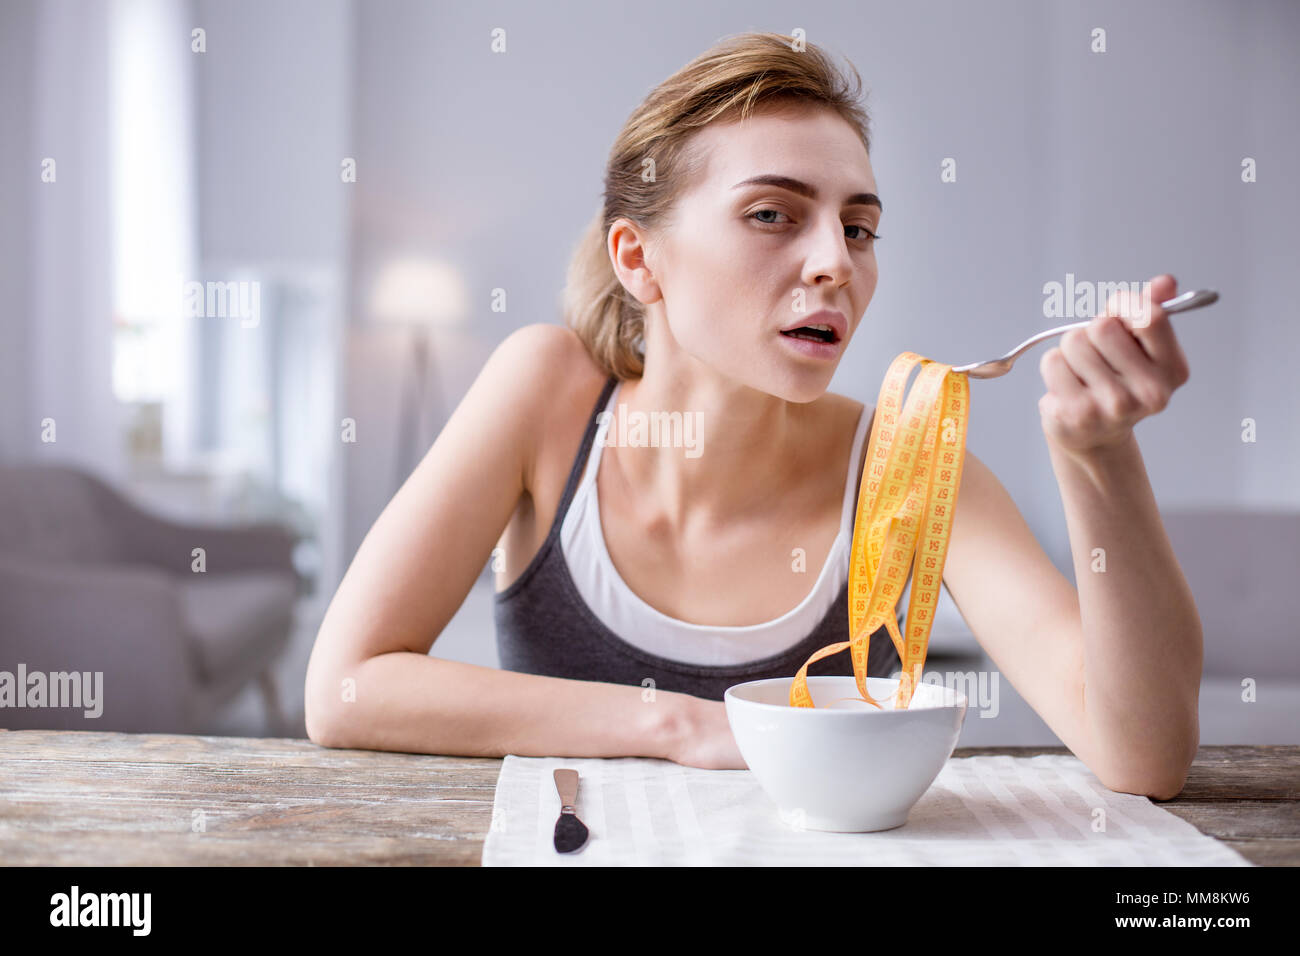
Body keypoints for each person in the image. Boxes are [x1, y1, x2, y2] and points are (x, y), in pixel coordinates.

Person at [305, 32, 1201, 797]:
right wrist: (682, 728)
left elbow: (1145, 756)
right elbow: (346, 689)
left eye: (857, 227)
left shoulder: (907, 459)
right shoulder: (545, 391)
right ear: (638, 258)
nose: (835, 264)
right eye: (773, 213)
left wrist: (1100, 455)